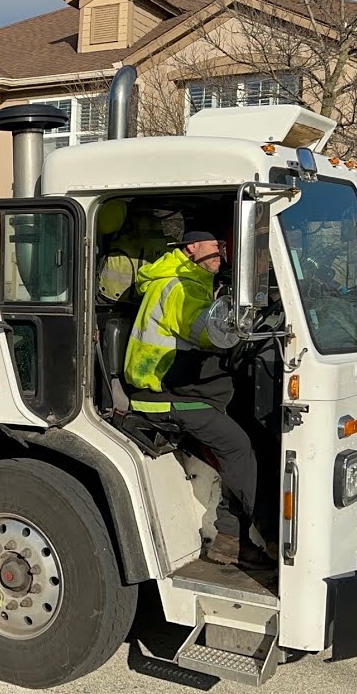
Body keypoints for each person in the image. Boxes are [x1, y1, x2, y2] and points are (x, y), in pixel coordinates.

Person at [123, 229, 275, 568]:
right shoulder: (179, 286)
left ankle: (233, 537)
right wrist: (242, 323)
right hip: (161, 393)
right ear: (192, 247)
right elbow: (208, 331)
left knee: (252, 434)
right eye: (214, 245)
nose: (221, 251)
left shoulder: (193, 282)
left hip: (184, 388)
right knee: (237, 445)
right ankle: (266, 537)